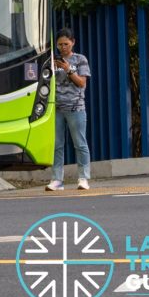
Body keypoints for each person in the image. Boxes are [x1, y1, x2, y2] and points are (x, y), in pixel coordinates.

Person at [47, 28, 92, 191]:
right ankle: (57, 180)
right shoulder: (51, 60)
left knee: (80, 143)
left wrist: (68, 69)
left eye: (66, 44)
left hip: (75, 107)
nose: (63, 47)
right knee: (57, 144)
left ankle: (83, 178)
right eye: (60, 45)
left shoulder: (80, 59)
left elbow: (82, 83)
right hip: (56, 108)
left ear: (73, 42)